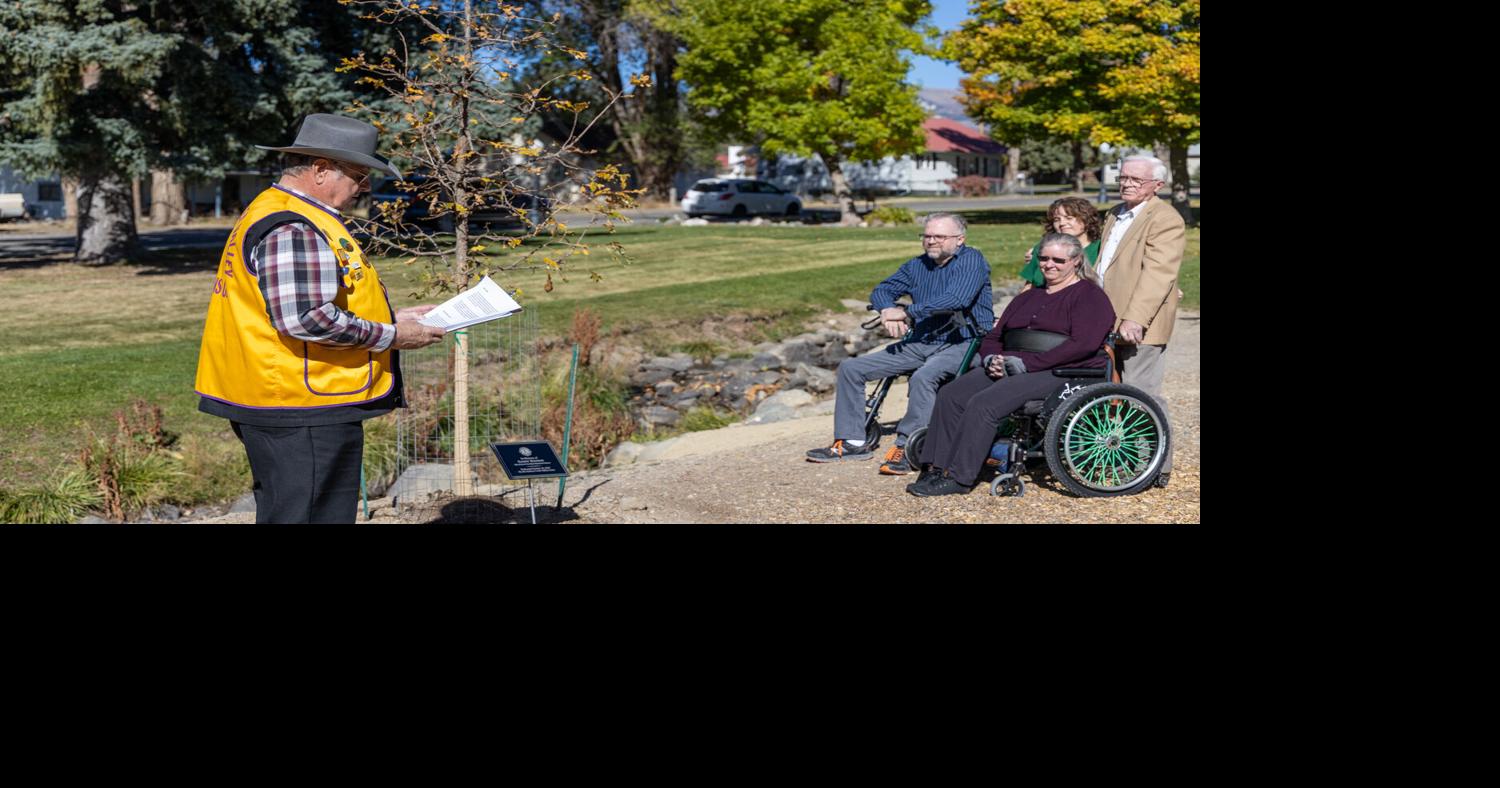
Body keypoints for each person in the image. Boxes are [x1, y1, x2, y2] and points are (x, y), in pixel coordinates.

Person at [194, 113, 447, 523]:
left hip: (278, 397)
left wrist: (390, 315)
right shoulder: (295, 226)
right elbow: (305, 319)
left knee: (289, 511)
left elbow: (301, 303)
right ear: (320, 169)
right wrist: (392, 334)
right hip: (300, 403)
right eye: (359, 176)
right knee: (313, 515)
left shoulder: (274, 208)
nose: (364, 188)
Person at [908, 233, 1114, 497]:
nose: (1048, 264)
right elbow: (995, 336)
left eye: (1057, 259)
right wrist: (992, 358)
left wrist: (1027, 363)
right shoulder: (1028, 297)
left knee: (985, 404)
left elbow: (1082, 345)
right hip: (1012, 363)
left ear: (1075, 261)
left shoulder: (1089, 296)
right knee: (951, 394)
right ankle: (936, 467)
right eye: (1043, 258)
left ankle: (959, 478)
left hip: (1061, 369)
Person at [806, 212, 994, 475]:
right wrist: (886, 310)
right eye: (926, 236)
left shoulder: (972, 260)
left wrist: (907, 313)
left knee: (924, 377)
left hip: (966, 341)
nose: (931, 241)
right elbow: (881, 290)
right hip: (922, 340)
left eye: (939, 236)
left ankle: (908, 446)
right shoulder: (916, 266)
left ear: (960, 239)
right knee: (852, 368)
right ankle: (852, 442)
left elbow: (956, 299)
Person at [1095, 155, 1185, 487]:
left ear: (1157, 185)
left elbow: (1159, 273)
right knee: (1113, 391)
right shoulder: (1115, 214)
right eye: (1124, 178)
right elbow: (1104, 264)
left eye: (1137, 180)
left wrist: (1135, 318)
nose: (1127, 184)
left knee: (1141, 393)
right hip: (1106, 318)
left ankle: (1156, 466)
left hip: (1139, 324)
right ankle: (1122, 458)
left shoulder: (1165, 219)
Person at [1017, 196, 1103, 292]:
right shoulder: (1044, 248)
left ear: (1087, 219)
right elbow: (1028, 286)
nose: (1062, 223)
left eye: (1068, 218)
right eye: (1056, 219)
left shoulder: (1101, 248)